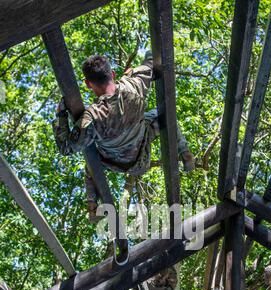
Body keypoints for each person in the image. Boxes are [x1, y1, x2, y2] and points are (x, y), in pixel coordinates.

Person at [53, 51, 195, 222]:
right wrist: (136, 69)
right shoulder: (133, 86)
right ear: (112, 74)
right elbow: (152, 60)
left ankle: (92, 206)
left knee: (90, 162)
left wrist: (61, 116)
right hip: (142, 156)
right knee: (164, 113)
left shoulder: (91, 118)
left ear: (88, 84)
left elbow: (65, 147)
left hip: (114, 163)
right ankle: (184, 151)